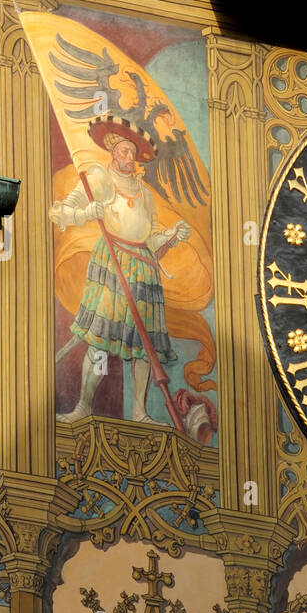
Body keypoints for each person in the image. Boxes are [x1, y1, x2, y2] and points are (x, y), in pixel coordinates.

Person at [49, 116, 191, 424]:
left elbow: (151, 239)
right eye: (123, 151)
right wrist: (87, 211)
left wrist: (171, 237)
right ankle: (84, 405)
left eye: (133, 153)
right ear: (113, 150)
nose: (128, 158)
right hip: (112, 262)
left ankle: (139, 412)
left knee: (143, 347)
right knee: (100, 339)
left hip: (142, 269)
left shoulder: (145, 194)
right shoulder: (98, 178)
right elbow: (58, 212)